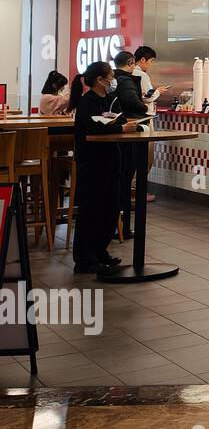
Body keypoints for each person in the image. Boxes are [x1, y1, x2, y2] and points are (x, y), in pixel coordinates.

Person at [70, 60, 139, 273]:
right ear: (99, 80)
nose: (113, 80)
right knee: (91, 209)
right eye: (110, 76)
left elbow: (120, 120)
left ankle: (100, 251)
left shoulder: (111, 100)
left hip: (112, 160)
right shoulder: (86, 102)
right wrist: (120, 127)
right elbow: (94, 128)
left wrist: (127, 126)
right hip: (92, 163)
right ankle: (84, 258)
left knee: (110, 208)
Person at [112, 51, 150, 239]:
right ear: (131, 62)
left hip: (116, 131)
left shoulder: (112, 79)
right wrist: (144, 106)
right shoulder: (126, 80)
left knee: (120, 179)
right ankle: (123, 227)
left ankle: (117, 226)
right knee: (125, 178)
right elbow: (131, 101)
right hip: (127, 130)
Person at [133, 46, 168, 201]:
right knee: (146, 157)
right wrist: (158, 91)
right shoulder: (141, 74)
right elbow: (148, 97)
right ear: (143, 60)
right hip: (145, 119)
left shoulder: (130, 73)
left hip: (135, 119)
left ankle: (133, 189)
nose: (151, 64)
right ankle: (136, 191)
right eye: (151, 61)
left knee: (135, 156)